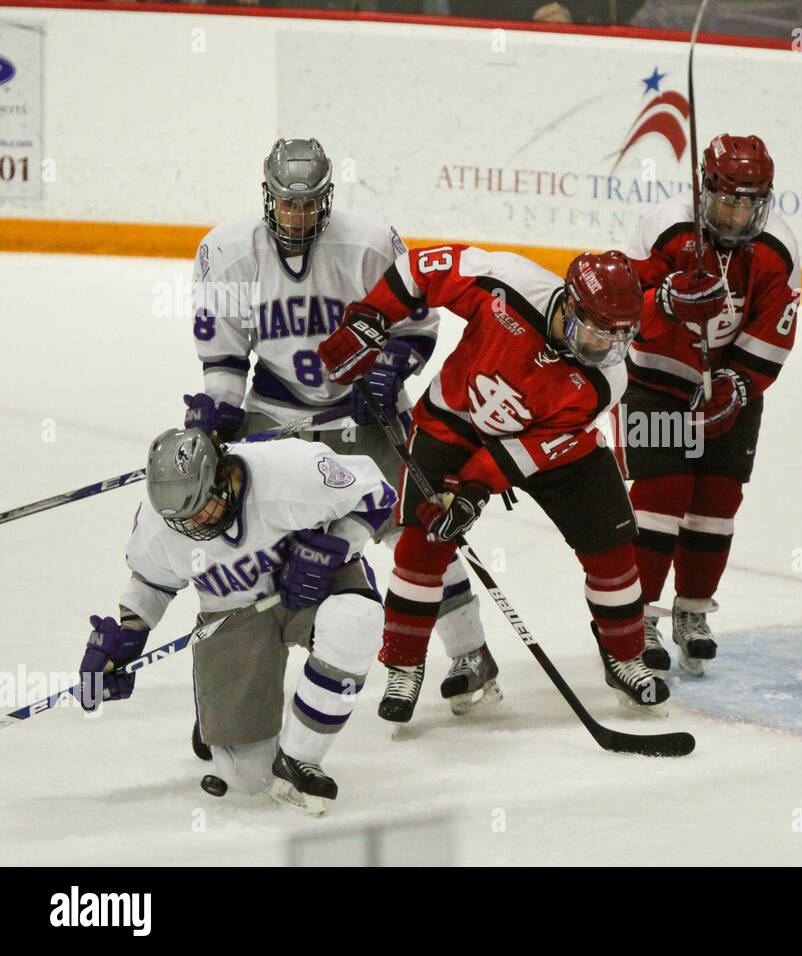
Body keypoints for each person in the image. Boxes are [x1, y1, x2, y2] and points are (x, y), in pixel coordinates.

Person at [182, 137, 487, 726]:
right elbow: (222, 362)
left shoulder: (368, 241)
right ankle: (239, 700)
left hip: (364, 410)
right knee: (260, 546)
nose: (296, 216)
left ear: (327, 199)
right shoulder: (226, 252)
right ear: (267, 198)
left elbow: (418, 321)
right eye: (286, 204)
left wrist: (393, 364)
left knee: (418, 527)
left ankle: (470, 651)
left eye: (308, 204)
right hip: (275, 418)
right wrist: (219, 414)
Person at [317, 244, 669, 713]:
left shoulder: (607, 380)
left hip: (552, 448)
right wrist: (371, 317)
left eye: (619, 338)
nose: (605, 348)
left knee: (612, 549)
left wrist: (474, 489)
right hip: (455, 420)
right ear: (569, 302)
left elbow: (532, 450)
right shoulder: (507, 282)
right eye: (596, 333)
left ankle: (626, 655)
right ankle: (403, 665)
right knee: (422, 540)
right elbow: (423, 267)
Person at [76, 428, 395, 815]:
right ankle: (220, 716)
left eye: (200, 509)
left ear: (222, 475)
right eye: (182, 519)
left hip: (318, 586)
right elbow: (152, 581)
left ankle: (299, 757)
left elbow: (377, 492)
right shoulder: (162, 521)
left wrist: (338, 544)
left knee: (355, 621)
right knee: (248, 779)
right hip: (232, 617)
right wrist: (128, 637)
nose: (193, 525)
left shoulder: (291, 471)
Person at [620, 133, 801, 674]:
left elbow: (775, 329)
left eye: (750, 202)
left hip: (731, 386)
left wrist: (738, 385)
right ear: (705, 189)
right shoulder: (668, 228)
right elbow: (623, 305)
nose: (738, 212)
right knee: (660, 497)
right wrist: (667, 302)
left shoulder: (778, 248)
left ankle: (693, 612)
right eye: (728, 199)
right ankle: (639, 617)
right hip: (659, 383)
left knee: (716, 504)